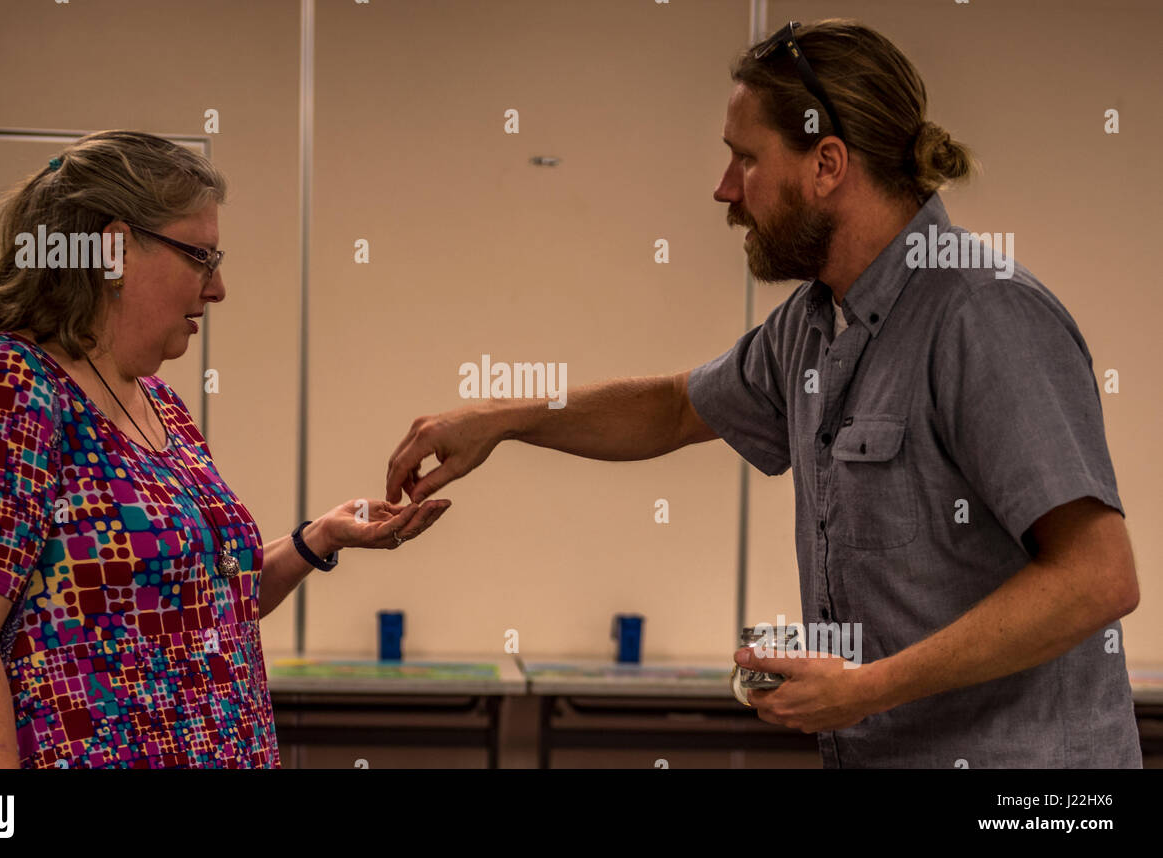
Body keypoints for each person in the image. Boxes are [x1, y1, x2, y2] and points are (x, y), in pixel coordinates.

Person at [384, 19, 1141, 767]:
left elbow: (1096, 577)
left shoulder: (983, 315)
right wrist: (500, 417)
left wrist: (867, 689)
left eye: (745, 158)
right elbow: (675, 407)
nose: (724, 190)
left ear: (828, 163)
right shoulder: (814, 325)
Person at [0, 130, 451, 768]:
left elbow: (199, 608)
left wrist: (316, 539)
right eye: (201, 257)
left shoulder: (161, 406)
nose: (218, 288)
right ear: (113, 250)